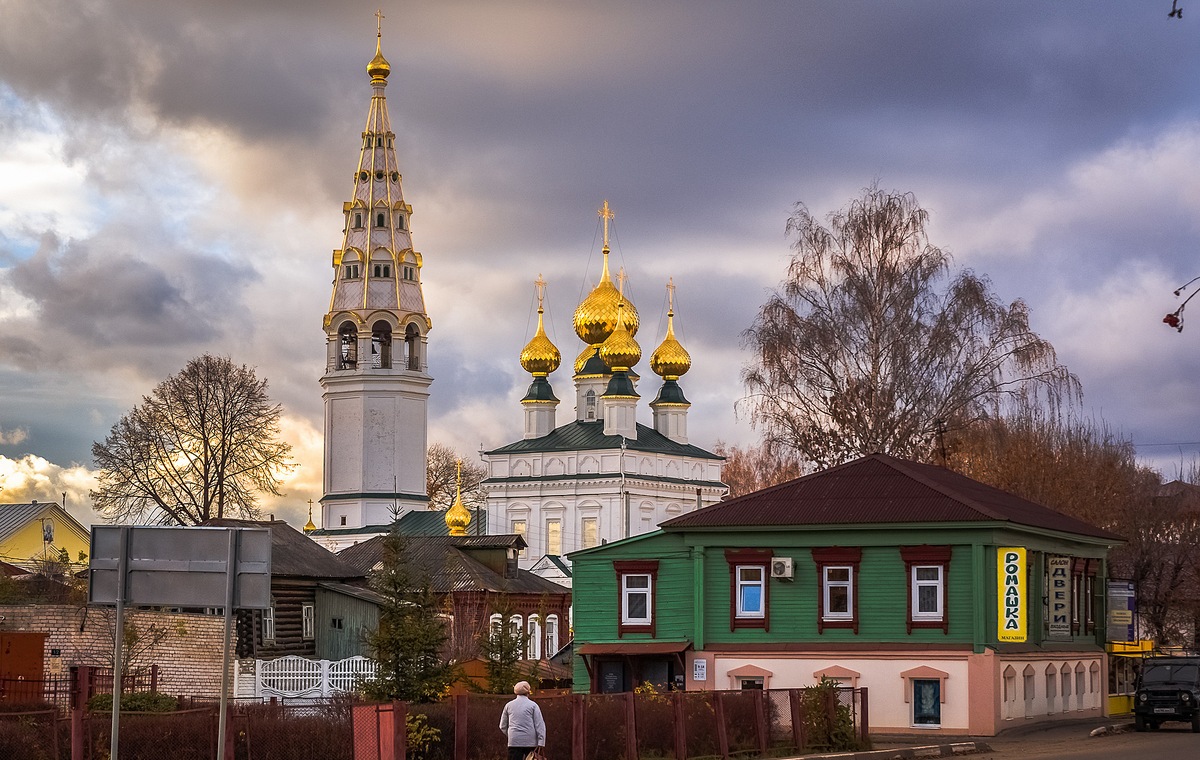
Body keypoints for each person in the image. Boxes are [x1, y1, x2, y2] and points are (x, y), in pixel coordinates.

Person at [499, 680, 545, 760]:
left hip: (514, 741)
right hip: (530, 741)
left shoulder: (508, 705)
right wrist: (541, 741)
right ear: (528, 692)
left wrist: (511, 734)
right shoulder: (533, 705)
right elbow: (539, 725)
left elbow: (502, 726)